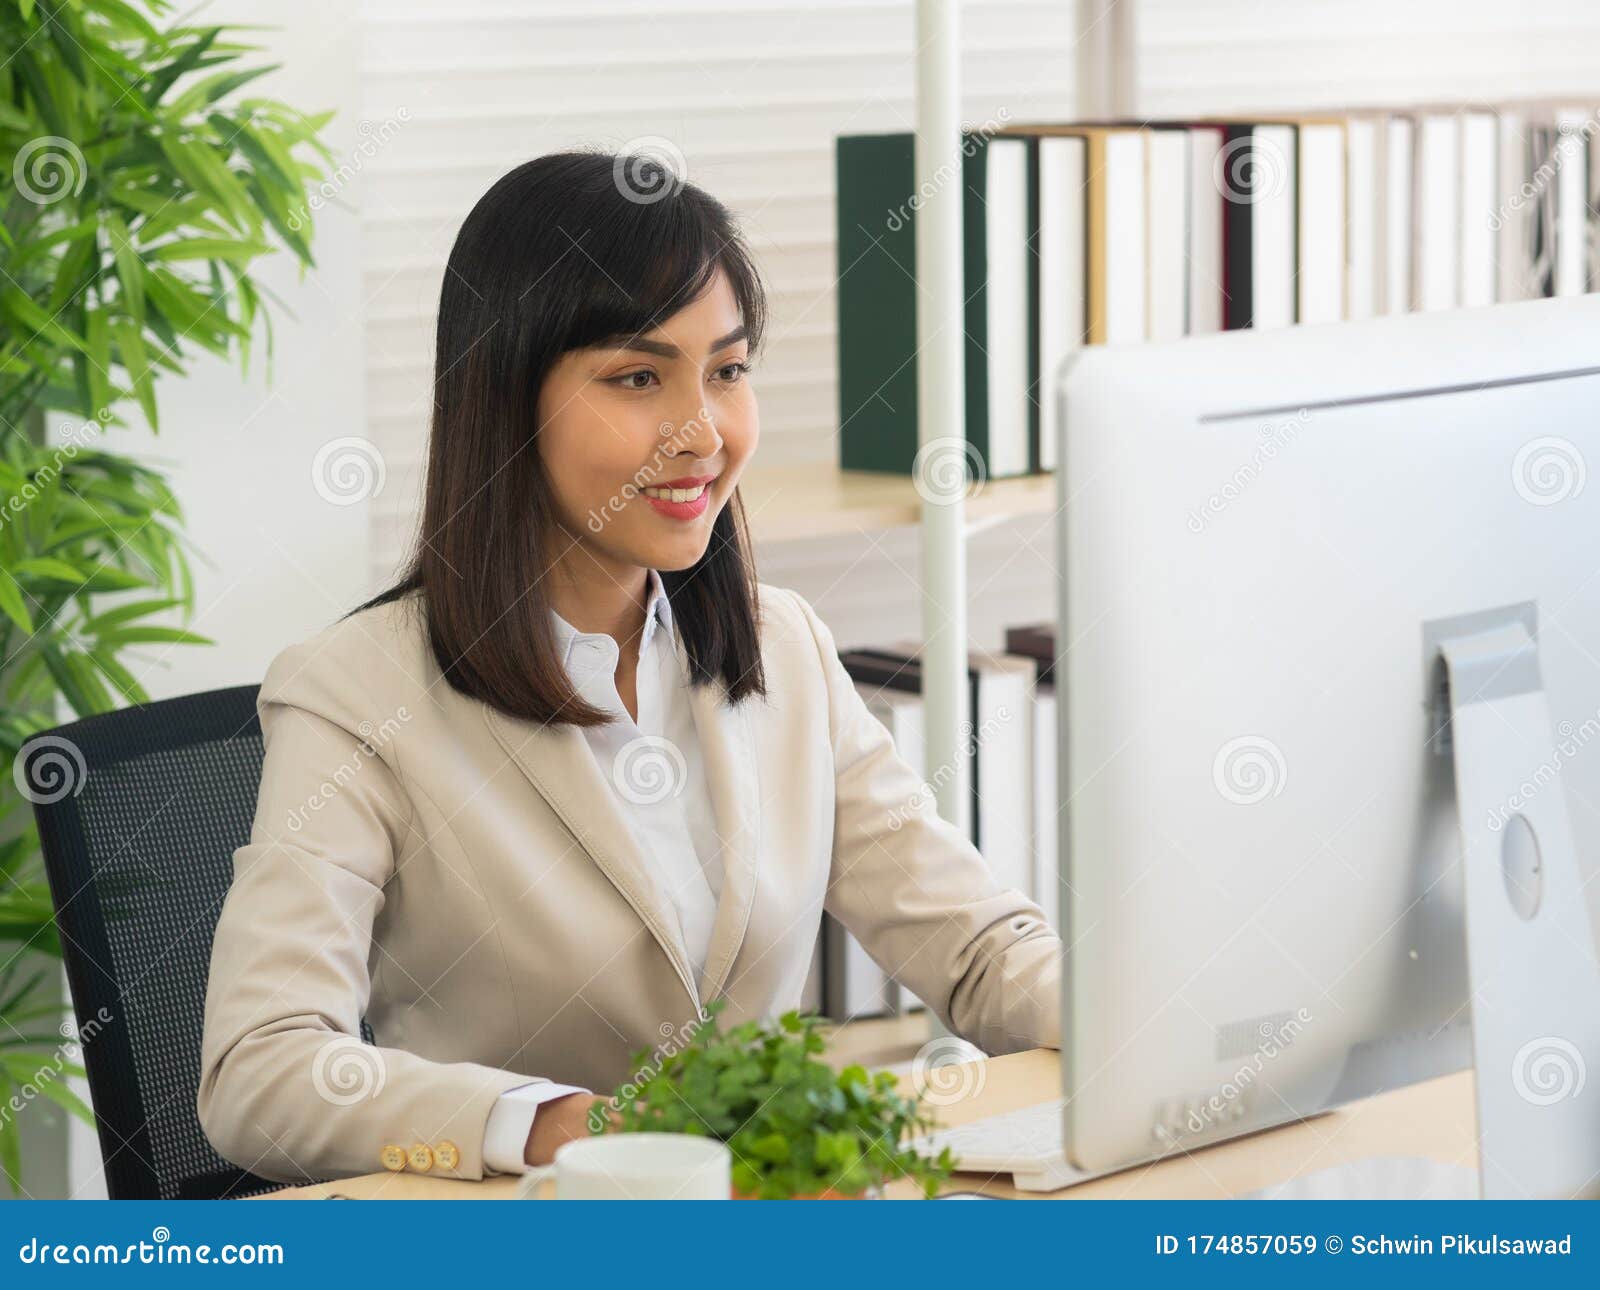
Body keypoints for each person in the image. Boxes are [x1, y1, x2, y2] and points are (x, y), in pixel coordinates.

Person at [198, 150, 1061, 1185]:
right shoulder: (355, 695)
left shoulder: (781, 646)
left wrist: (1160, 1027)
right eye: (637, 378)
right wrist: (568, 1129)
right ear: (508, 399)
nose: (702, 434)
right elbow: (259, 1076)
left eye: (728, 371)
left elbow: (974, 948)